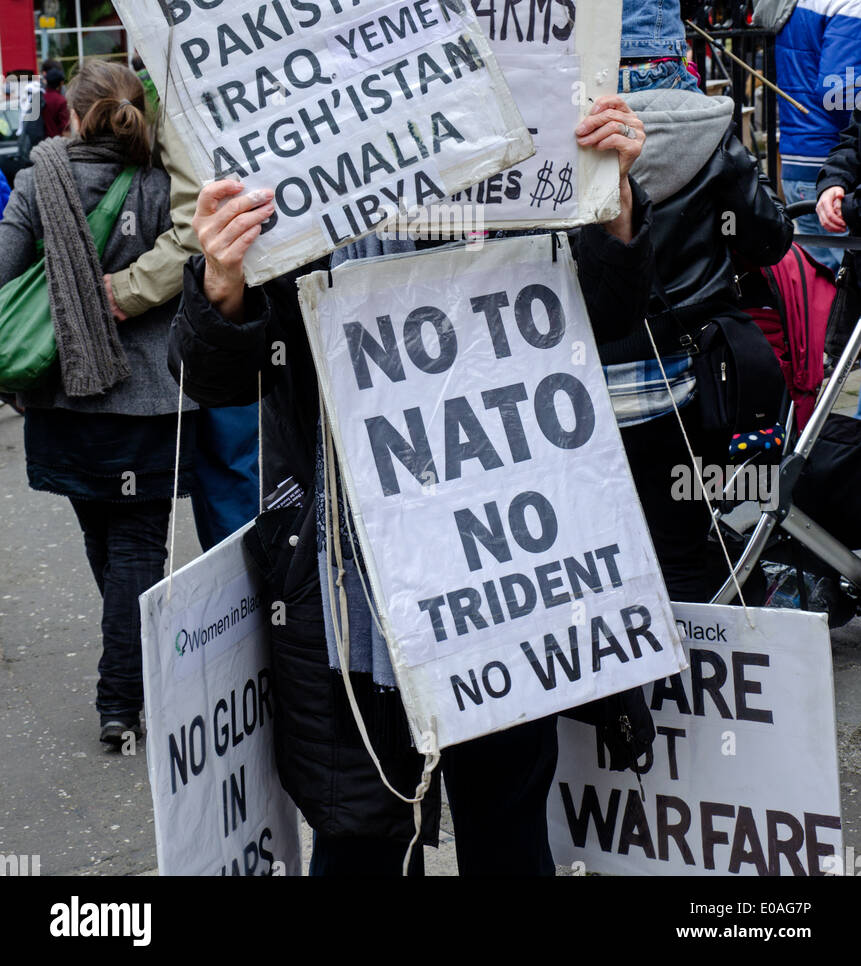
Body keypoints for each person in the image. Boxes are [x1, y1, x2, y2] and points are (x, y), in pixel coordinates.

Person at [169, 96, 653, 877]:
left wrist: (611, 205)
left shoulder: (520, 155)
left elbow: (611, 315)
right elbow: (209, 376)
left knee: (506, 831)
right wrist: (222, 278)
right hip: (351, 599)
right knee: (360, 837)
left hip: (503, 583)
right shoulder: (286, 179)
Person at [0, 59, 197, 747]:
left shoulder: (36, 181)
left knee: (102, 538)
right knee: (136, 546)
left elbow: (3, 273)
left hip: (64, 397)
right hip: (146, 401)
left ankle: (123, 689)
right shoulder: (158, 186)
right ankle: (124, 696)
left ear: (76, 114)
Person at [599, 77, 793, 600]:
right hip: (684, 379)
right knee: (680, 546)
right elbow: (768, 237)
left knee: (598, 551)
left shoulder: (562, 130)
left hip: (573, 387)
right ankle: (688, 674)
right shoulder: (707, 129)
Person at [103, 57, 260, 551]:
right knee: (241, 465)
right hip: (252, 292)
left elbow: (198, 228)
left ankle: (255, 607)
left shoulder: (177, 82)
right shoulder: (200, 70)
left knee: (231, 466)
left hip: (227, 301)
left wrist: (128, 289)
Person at [752, 0, 861, 271]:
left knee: (818, 302)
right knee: (843, 310)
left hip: (799, 156)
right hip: (833, 173)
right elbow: (839, 92)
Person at [42, 65, 69, 138]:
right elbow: (65, 126)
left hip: (41, 143)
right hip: (56, 143)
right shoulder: (61, 101)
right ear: (60, 83)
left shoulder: (40, 98)